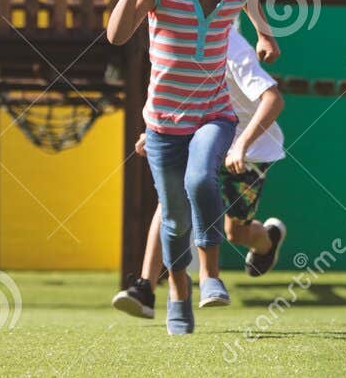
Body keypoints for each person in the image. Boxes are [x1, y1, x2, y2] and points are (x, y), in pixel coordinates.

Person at [107, 0, 277, 335]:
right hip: (163, 123)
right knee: (174, 217)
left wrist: (264, 34)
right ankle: (178, 295)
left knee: (201, 180)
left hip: (212, 115)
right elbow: (116, 34)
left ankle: (211, 276)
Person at [113, 25, 289, 319]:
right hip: (200, 137)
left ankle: (266, 239)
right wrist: (153, 131)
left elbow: (273, 100)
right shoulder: (177, 40)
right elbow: (175, 91)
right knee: (171, 201)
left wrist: (241, 146)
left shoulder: (233, 48)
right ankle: (144, 288)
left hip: (250, 149)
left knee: (236, 232)